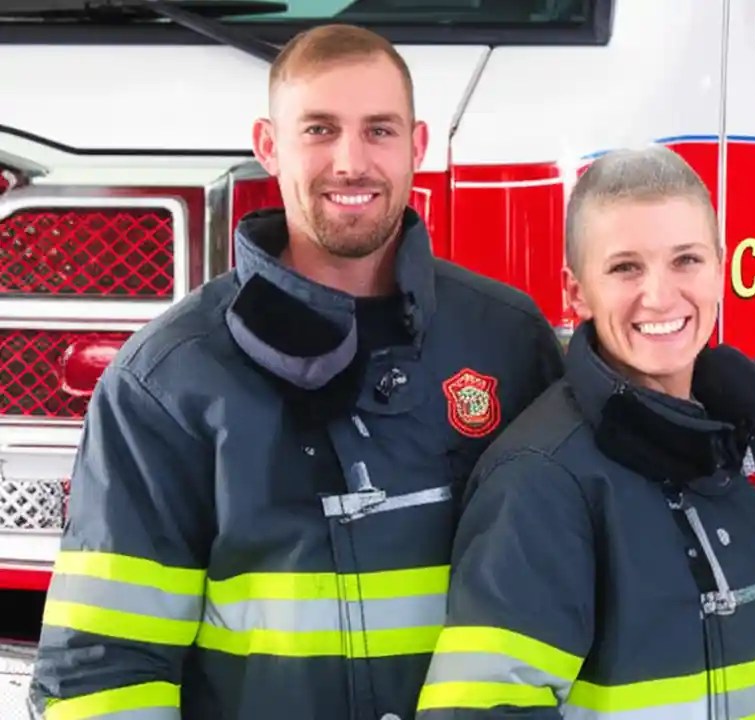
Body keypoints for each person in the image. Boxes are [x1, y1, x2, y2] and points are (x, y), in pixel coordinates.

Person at [29, 24, 563, 720]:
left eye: (379, 131)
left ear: (417, 147)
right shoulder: (166, 381)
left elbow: (572, 604)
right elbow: (105, 672)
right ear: (268, 145)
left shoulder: (508, 341)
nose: (351, 161)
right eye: (319, 130)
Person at [413, 146, 755, 719]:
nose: (660, 296)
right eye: (625, 267)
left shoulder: (739, 442)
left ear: (721, 266)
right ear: (575, 291)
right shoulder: (543, 479)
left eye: (685, 260)